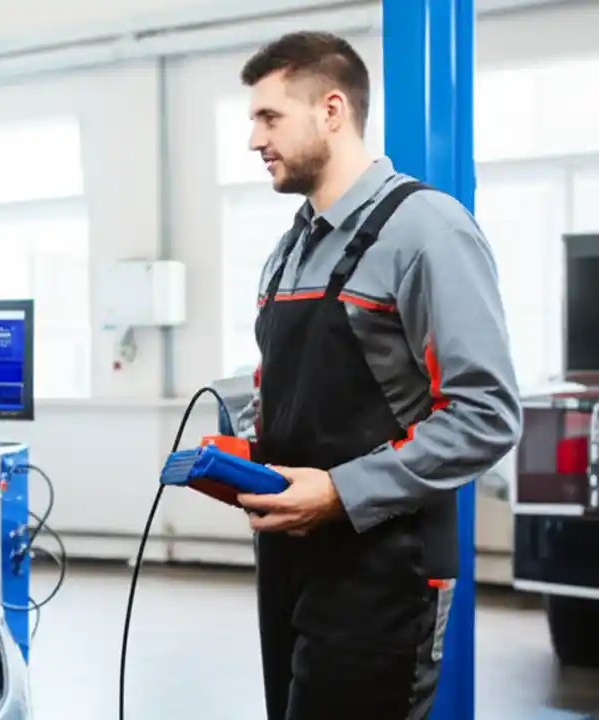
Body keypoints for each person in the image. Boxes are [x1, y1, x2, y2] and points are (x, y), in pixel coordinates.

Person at [229, 31, 523, 719]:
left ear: (331, 110)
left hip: (386, 572)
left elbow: (487, 415)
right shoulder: (290, 248)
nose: (254, 140)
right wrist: (245, 449)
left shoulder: (428, 232)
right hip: (290, 564)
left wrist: (340, 491)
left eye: (269, 117)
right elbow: (285, 387)